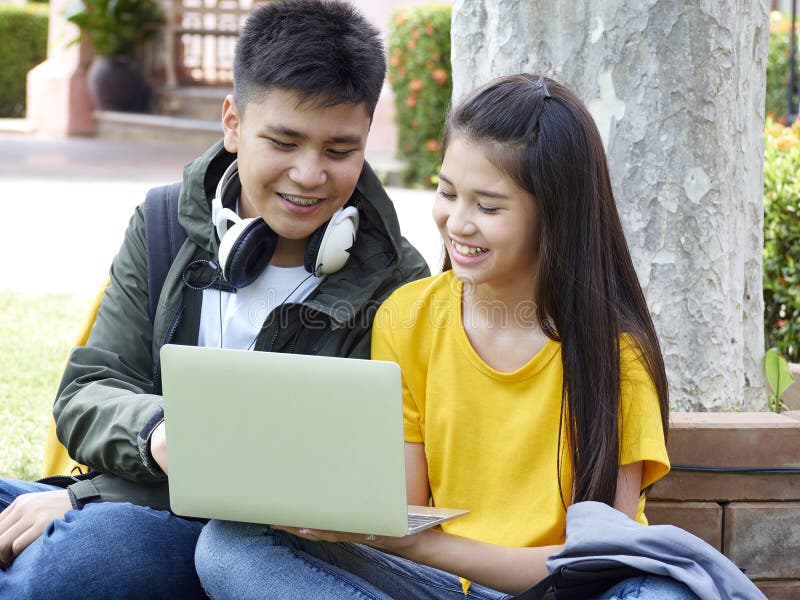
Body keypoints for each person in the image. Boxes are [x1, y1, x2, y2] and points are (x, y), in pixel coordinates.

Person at [193, 74, 701, 599]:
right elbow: (408, 515)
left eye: (488, 206)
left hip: (566, 590)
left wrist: (417, 545)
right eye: (447, 192)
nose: (457, 223)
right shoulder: (406, 318)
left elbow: (603, 565)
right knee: (232, 546)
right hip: (441, 586)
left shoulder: (615, 355)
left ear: (554, 217)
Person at [0, 1, 428, 598]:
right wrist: (159, 435)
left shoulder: (398, 281)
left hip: (242, 545)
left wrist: (83, 501)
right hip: (134, 492)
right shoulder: (161, 223)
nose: (309, 175)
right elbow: (86, 394)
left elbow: (330, 489)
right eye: (284, 141)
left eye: (339, 151)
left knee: (86, 554)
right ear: (232, 122)